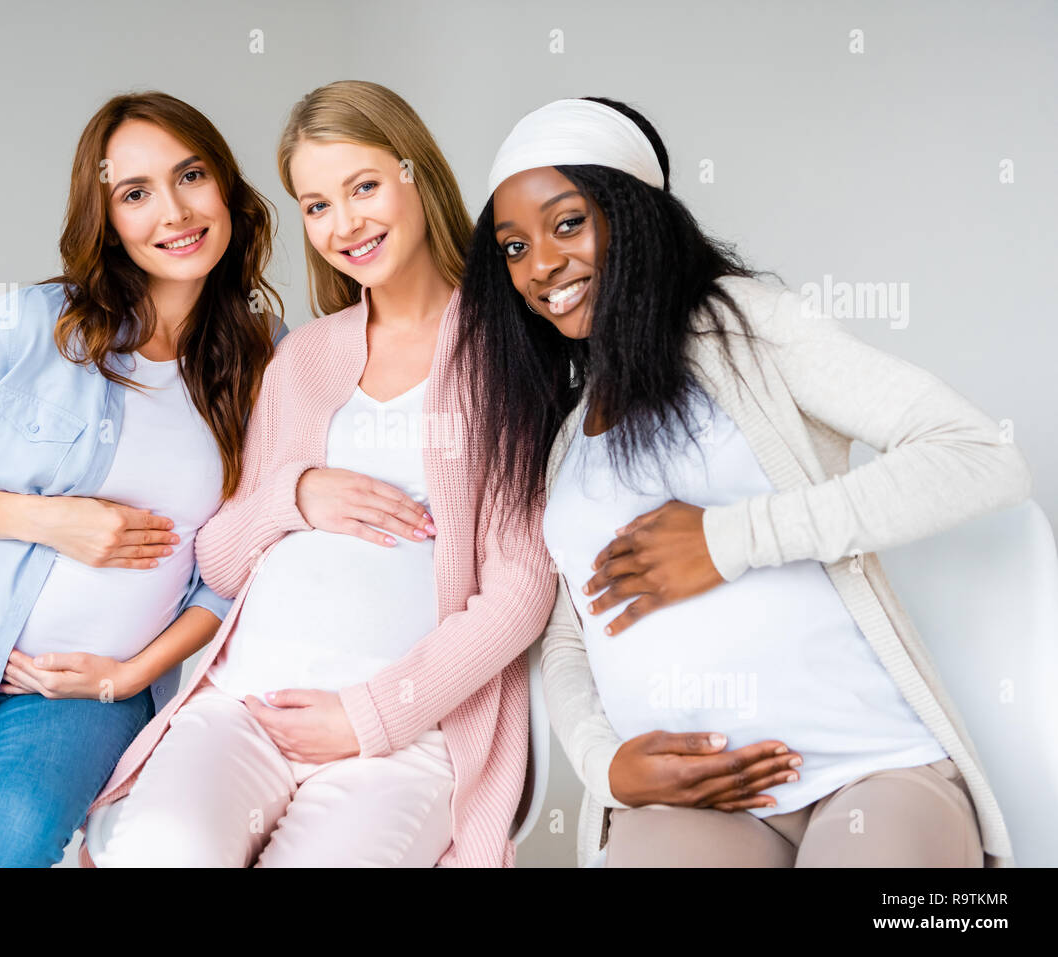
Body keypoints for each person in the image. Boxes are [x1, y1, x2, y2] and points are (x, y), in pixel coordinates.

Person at [455, 96, 1033, 867]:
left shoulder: (746, 327)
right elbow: (568, 635)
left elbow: (979, 454)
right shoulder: (567, 439)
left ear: (634, 217)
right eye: (514, 247)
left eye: (568, 224)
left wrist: (729, 539)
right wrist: (604, 763)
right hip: (698, 805)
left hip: (871, 768)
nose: (541, 267)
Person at [82, 80, 556, 868]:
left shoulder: (511, 354)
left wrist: (369, 716)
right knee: (161, 850)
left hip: (403, 738)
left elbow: (520, 594)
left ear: (417, 174)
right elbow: (223, 557)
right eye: (317, 204)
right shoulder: (304, 357)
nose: (345, 224)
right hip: (243, 710)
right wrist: (293, 495)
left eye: (363, 186)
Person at [0, 91, 284, 866]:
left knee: (8, 843)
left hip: (87, 688)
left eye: (192, 175)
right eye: (135, 194)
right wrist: (53, 520)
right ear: (106, 219)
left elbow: (243, 568)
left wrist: (130, 674)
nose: (173, 211)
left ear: (227, 190)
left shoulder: (269, 361)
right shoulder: (34, 327)